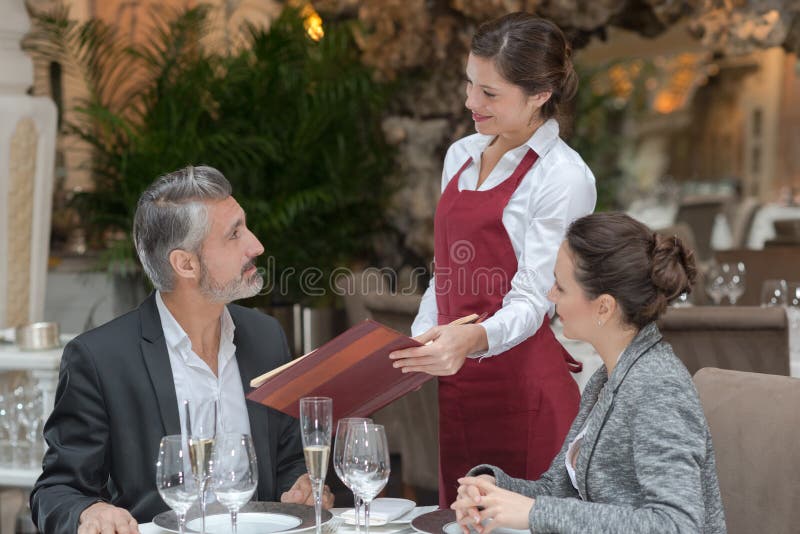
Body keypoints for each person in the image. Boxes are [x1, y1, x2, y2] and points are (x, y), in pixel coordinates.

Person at [31, 166, 333, 534]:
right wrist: (89, 512)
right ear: (185, 264)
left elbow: (290, 457)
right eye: (234, 234)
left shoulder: (266, 336)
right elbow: (56, 490)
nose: (256, 245)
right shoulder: (100, 359)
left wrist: (299, 485)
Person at [389, 13, 596, 505]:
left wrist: (474, 337)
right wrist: (420, 342)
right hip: (458, 388)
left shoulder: (564, 177)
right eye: (469, 84)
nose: (470, 103)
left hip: (525, 393)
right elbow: (445, 274)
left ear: (540, 94)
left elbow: (535, 297)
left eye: (489, 93)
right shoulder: (460, 154)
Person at [452, 212, 726, 533]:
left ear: (604, 307)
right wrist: (494, 489)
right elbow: (560, 491)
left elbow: (677, 525)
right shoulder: (607, 377)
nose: (550, 295)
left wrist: (536, 512)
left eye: (561, 287)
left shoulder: (658, 386)